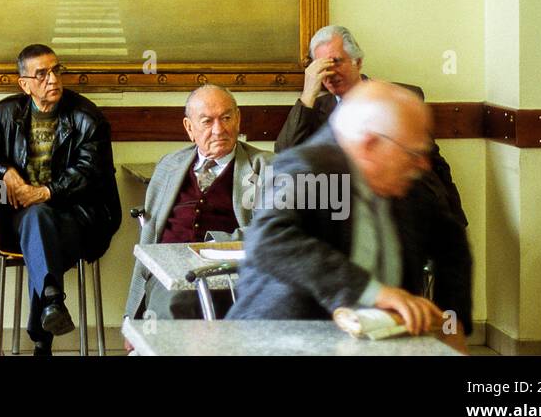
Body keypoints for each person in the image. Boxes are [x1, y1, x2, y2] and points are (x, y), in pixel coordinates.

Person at [228, 82, 471, 350]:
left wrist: (451, 324)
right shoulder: (312, 167)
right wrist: (372, 292)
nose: (423, 165)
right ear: (370, 145)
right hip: (285, 340)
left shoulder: (405, 177)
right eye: (413, 154)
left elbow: (451, 244)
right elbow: (270, 239)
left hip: (380, 342)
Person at [0, 44, 121, 355]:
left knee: (42, 220)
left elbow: (88, 171)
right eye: (42, 74)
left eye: (56, 70)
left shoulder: (87, 117)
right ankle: (50, 308)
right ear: (24, 83)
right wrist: (5, 170)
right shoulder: (6, 113)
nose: (53, 79)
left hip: (80, 217)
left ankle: (45, 324)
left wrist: (45, 192)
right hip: (19, 217)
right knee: (38, 220)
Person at [276, 25, 466, 226]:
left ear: (357, 61)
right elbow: (285, 155)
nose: (330, 73)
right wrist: (308, 94)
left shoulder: (395, 99)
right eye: (322, 66)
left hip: (401, 215)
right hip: (344, 220)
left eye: (336, 62)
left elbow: (431, 163)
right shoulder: (314, 110)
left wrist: (454, 220)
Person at [124, 85, 271, 321]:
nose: (218, 129)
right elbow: (148, 240)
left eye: (226, 118)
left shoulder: (266, 167)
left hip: (228, 275)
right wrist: (130, 316)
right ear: (189, 128)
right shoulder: (169, 166)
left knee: (183, 305)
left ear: (238, 119)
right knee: (172, 301)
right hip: (169, 274)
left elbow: (271, 231)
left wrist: (213, 246)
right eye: (207, 121)